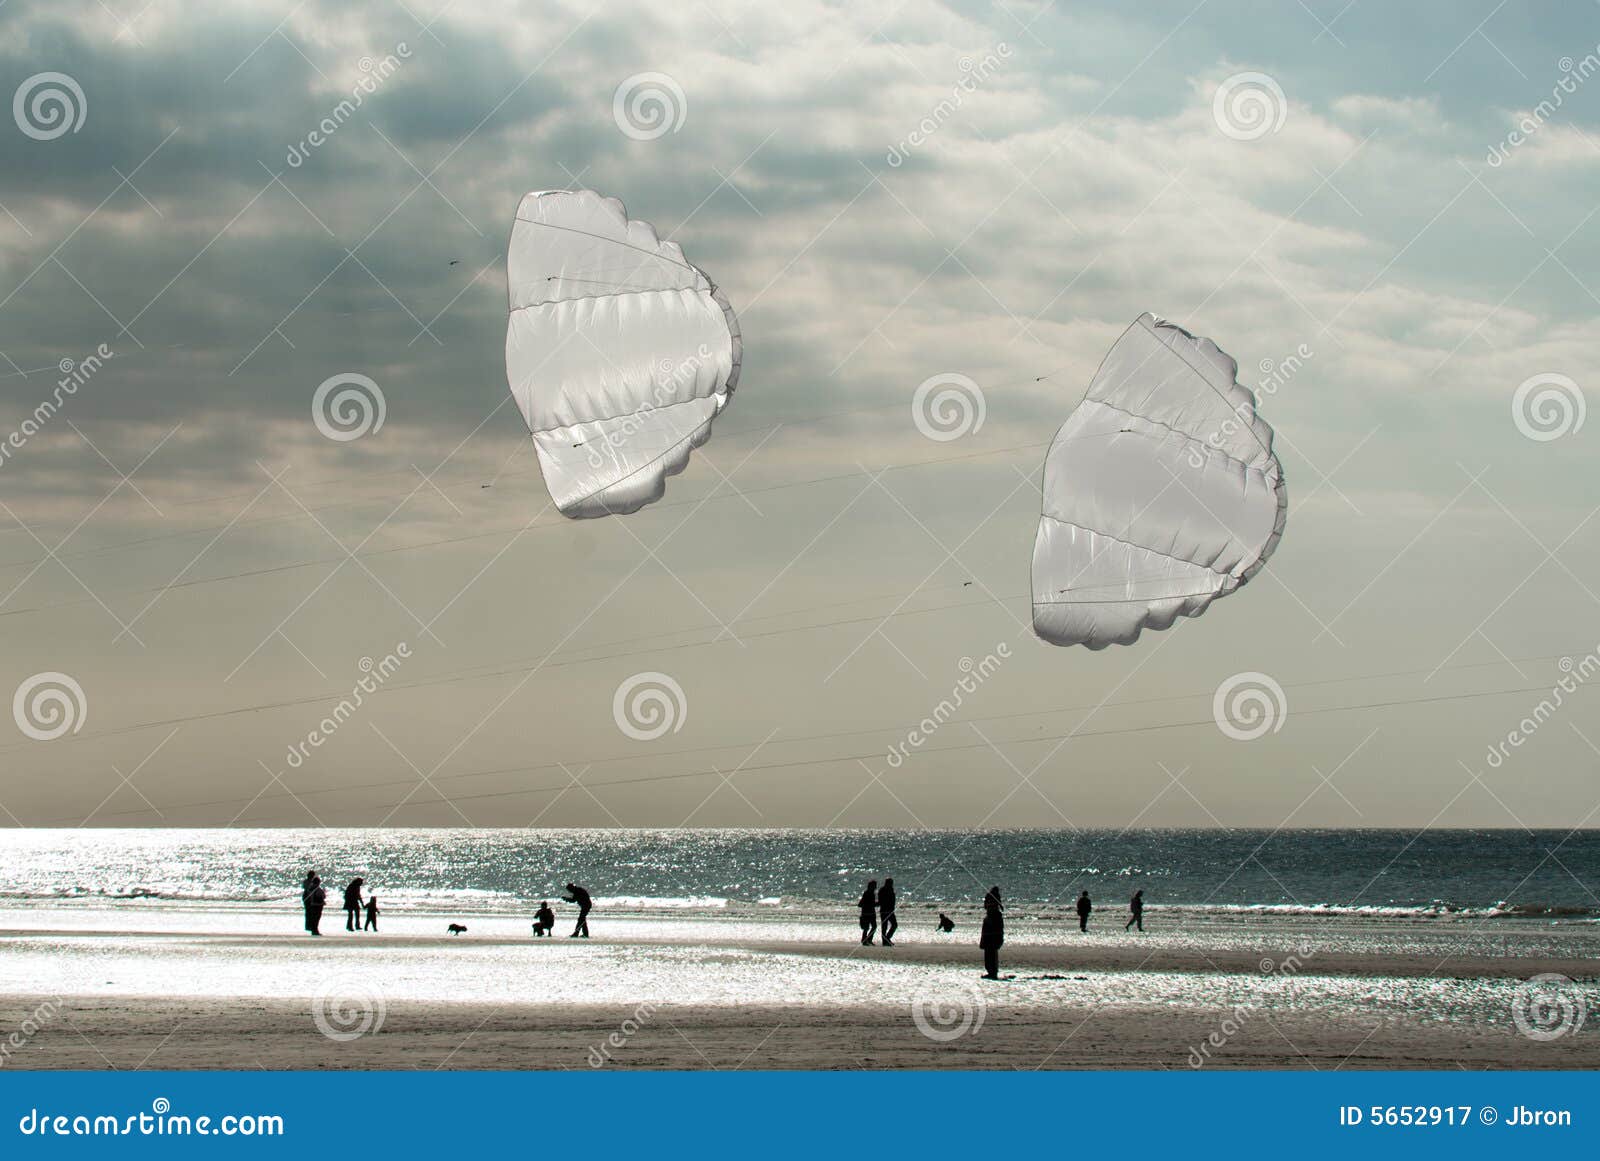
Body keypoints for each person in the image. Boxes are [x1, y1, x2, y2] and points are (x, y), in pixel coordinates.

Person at [979, 886, 1004, 979]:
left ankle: (992, 972)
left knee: (990, 955)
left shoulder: (992, 918)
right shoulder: (996, 917)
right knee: (992, 955)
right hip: (992, 940)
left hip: (991, 940)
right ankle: (992, 972)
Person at [302, 872, 325, 936]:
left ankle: (312, 928)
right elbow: (322, 896)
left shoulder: (311, 886)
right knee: (315, 916)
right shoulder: (314, 888)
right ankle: (313, 929)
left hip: (311, 902)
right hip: (315, 903)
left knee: (312, 915)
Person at [857, 879, 878, 946]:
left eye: (875, 886)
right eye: (874, 886)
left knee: (873, 927)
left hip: (871, 913)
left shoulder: (871, 893)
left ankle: (867, 939)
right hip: (867, 913)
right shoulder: (867, 893)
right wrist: (876, 904)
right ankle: (865, 940)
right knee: (867, 927)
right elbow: (863, 903)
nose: (875, 887)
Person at [878, 877, 898, 946]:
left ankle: (887, 938)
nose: (891, 884)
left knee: (894, 925)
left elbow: (893, 900)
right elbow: (881, 900)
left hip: (890, 910)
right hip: (884, 911)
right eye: (890, 883)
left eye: (891, 883)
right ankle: (885, 941)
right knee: (884, 926)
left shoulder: (891, 889)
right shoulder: (882, 890)